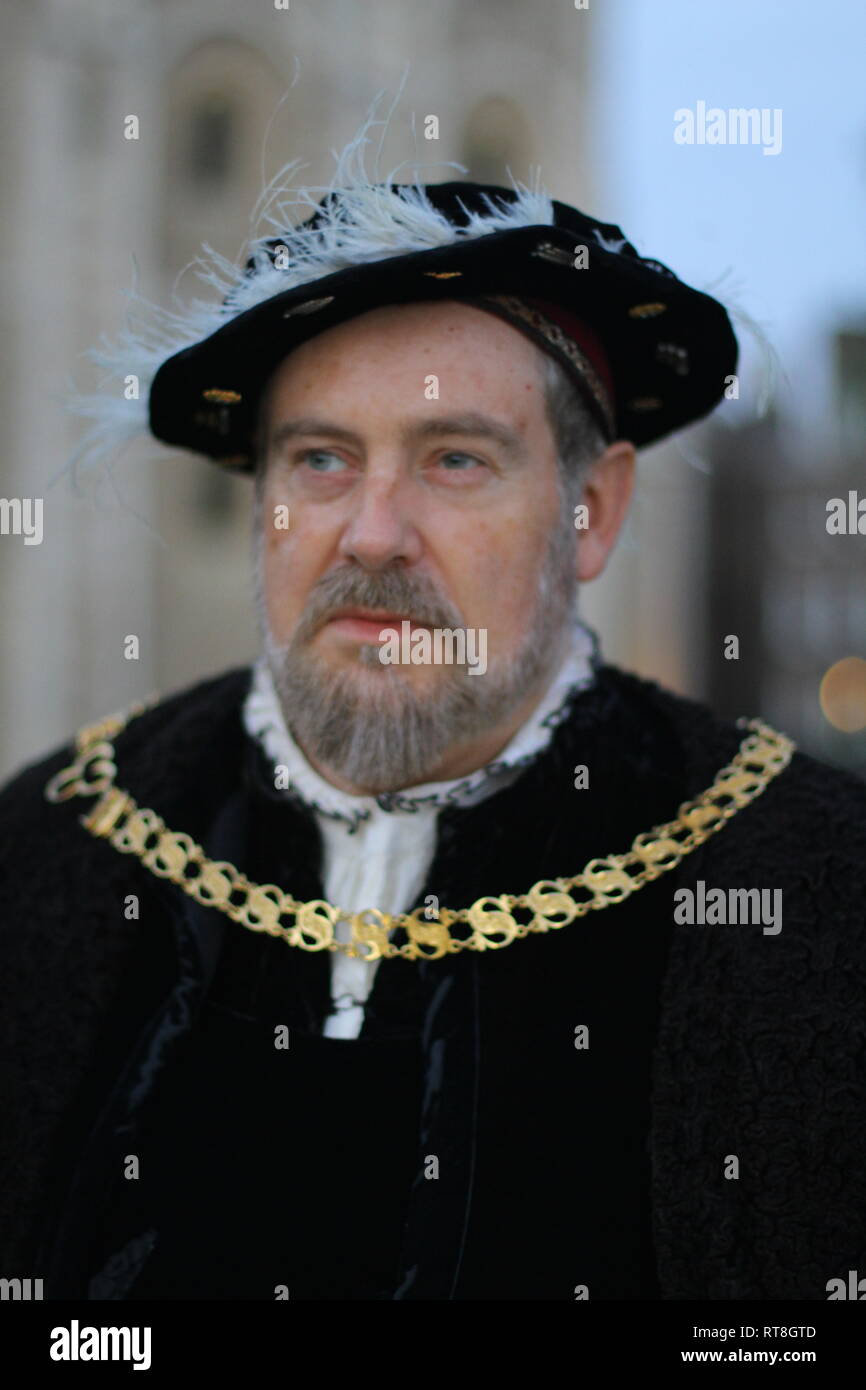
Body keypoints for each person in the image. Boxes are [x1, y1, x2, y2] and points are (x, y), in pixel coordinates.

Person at [1, 166, 864, 1303]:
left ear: (588, 511)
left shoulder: (817, 883)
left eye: (454, 458)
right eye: (319, 460)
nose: (370, 533)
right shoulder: (48, 848)